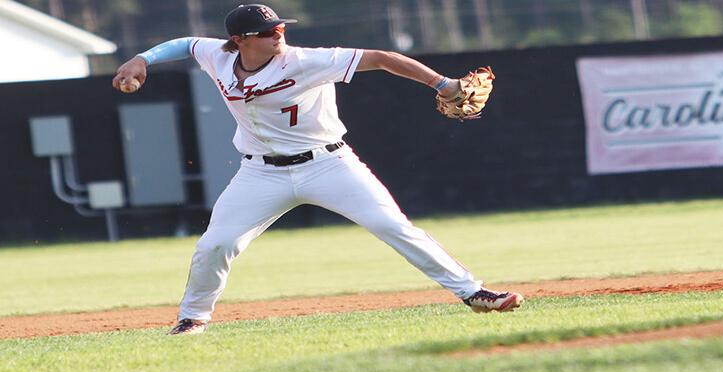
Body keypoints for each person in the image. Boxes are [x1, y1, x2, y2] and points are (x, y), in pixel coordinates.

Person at [113, 4, 524, 335]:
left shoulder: (308, 61)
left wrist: (442, 83)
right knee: (215, 245)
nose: (279, 33)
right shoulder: (218, 56)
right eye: (268, 31)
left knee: (391, 226)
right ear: (239, 41)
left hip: (328, 163)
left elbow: (381, 58)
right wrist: (141, 59)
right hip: (260, 173)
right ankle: (193, 318)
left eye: (279, 26)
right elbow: (186, 43)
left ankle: (473, 293)